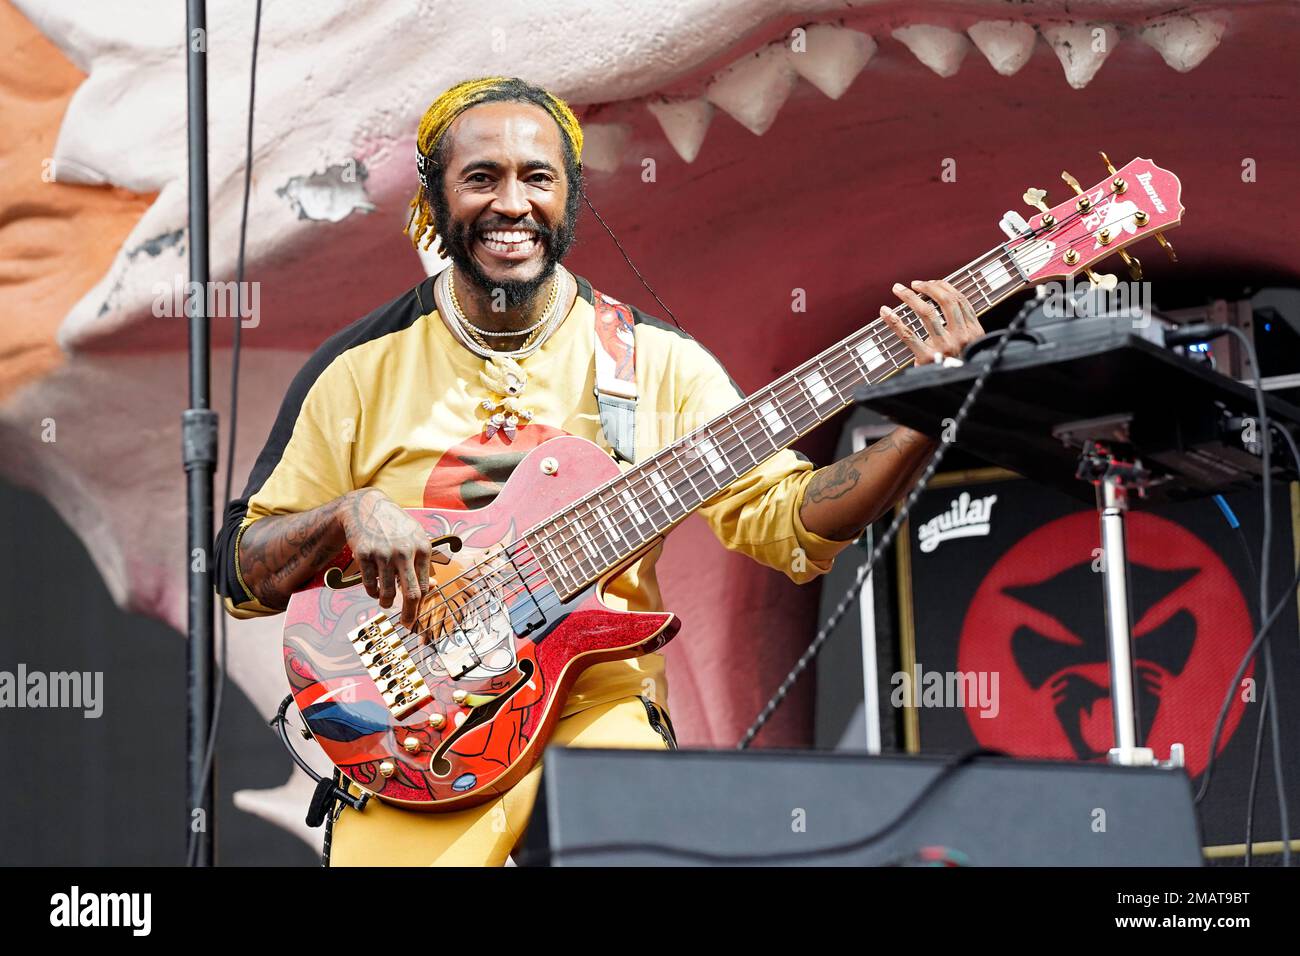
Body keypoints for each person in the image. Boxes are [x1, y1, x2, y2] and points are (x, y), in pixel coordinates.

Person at [212, 76, 984, 865]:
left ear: (570, 194)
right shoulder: (355, 371)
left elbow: (784, 522)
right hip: (414, 735)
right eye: (481, 178)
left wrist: (923, 419)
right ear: (434, 198)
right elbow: (240, 572)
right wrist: (348, 515)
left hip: (599, 719)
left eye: (537, 177)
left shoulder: (656, 363)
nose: (512, 203)